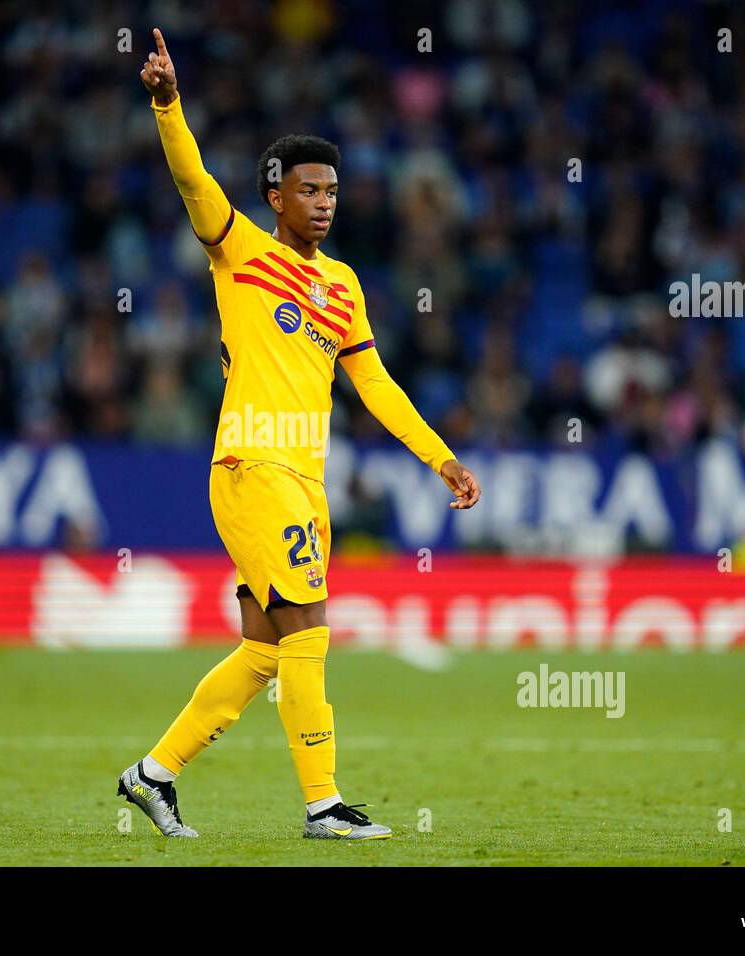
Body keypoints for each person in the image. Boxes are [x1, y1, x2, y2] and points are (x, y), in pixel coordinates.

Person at [117, 29, 481, 841]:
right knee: (310, 627)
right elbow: (192, 181)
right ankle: (324, 804)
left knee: (266, 652)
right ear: (276, 196)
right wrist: (168, 103)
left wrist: (440, 457)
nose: (324, 201)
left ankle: (152, 774)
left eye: (334, 191)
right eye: (309, 189)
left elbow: (375, 385)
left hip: (304, 479)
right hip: (252, 464)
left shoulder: (342, 285)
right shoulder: (240, 253)